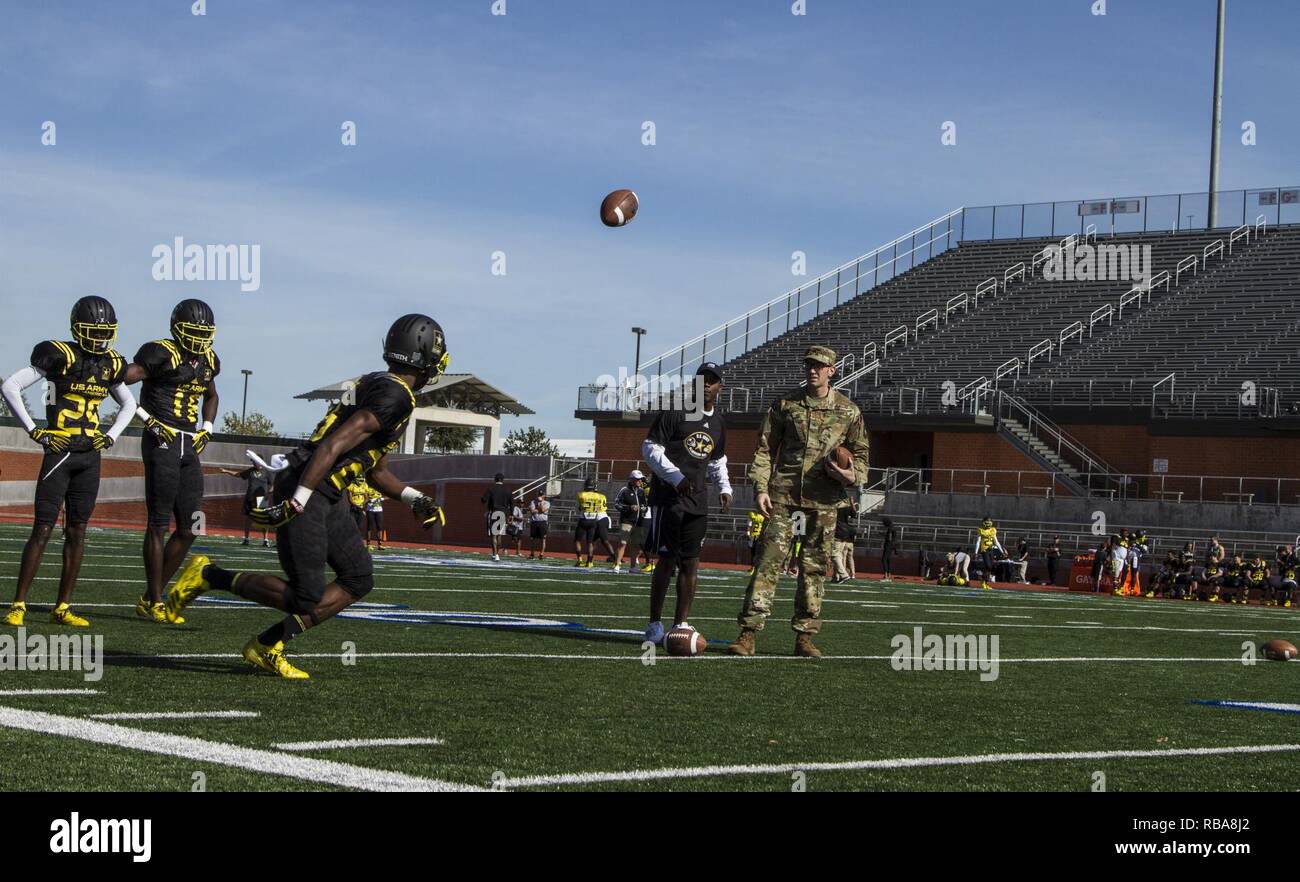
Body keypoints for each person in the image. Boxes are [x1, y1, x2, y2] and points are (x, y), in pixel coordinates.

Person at [165, 313, 449, 678]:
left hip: (324, 491)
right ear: (424, 355)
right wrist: (298, 498)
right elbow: (333, 445)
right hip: (311, 486)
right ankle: (209, 575)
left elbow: (374, 469)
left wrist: (415, 499)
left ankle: (267, 644)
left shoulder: (382, 385)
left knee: (358, 577)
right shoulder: (396, 395)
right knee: (306, 596)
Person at [1, 296, 137, 627]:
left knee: (78, 531)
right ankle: (18, 603)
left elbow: (129, 404)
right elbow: (10, 385)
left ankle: (63, 606)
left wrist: (112, 436)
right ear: (78, 329)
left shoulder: (111, 364)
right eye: (93, 331)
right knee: (43, 528)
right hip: (60, 452)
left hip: (90, 455)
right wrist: (36, 431)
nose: (100, 338)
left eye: (105, 332)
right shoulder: (59, 355)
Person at [729, 347, 867, 658]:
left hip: (824, 502)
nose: (813, 370)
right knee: (768, 563)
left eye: (819, 366)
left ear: (832, 370)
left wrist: (849, 475)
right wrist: (760, 488)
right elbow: (764, 450)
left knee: (814, 568)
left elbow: (861, 459)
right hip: (784, 499)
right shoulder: (785, 405)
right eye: (809, 365)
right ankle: (748, 633)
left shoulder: (849, 411)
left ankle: (805, 635)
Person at [123, 299, 220, 624]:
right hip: (161, 440)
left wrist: (207, 426)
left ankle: (151, 596)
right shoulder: (160, 352)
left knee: (191, 525)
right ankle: (154, 600)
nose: (199, 339)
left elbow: (212, 394)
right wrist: (143, 418)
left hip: (189, 443)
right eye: (193, 332)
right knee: (158, 523)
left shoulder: (208, 360)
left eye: (204, 333)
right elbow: (118, 380)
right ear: (178, 330)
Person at [642, 362, 732, 646]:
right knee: (667, 560)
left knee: (691, 563)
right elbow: (650, 448)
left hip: (697, 501)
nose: (706, 384)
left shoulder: (718, 422)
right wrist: (676, 477)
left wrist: (725, 487)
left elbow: (717, 460)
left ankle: (681, 622)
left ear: (720, 386)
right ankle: (654, 623)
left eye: (712, 380)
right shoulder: (675, 411)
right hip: (669, 498)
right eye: (702, 379)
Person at [218, 458, 273, 547]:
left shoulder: (267, 472)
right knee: (248, 518)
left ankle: (265, 540)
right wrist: (226, 471)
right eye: (253, 462)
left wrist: (268, 493)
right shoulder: (251, 471)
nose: (254, 464)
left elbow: (273, 485)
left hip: (262, 499)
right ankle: (246, 539)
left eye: (255, 462)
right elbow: (238, 474)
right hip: (250, 497)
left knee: (264, 519)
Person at [611, 470, 649, 573]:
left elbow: (645, 506)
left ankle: (633, 567)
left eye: (640, 479)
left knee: (635, 544)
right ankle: (617, 564)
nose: (639, 481)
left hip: (638, 522)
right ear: (631, 480)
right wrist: (629, 507)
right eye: (637, 479)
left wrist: (642, 509)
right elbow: (617, 504)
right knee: (623, 543)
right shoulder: (624, 490)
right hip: (627, 521)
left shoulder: (641, 491)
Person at [573, 478, 614, 567]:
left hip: (583, 519)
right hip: (593, 520)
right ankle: (590, 562)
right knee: (590, 542)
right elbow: (600, 508)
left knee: (577, 540)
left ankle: (580, 560)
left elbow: (578, 508)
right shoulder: (600, 496)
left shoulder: (581, 494)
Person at [481, 472, 511, 561]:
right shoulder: (507, 490)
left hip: (494, 512)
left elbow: (483, 499)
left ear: (495, 479)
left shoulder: (491, 488)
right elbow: (511, 503)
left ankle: (495, 554)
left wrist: (485, 501)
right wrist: (511, 514)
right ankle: (497, 554)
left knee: (494, 535)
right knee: (499, 535)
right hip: (503, 513)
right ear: (503, 480)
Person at [973, 515, 1005, 590]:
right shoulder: (980, 530)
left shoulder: (993, 530)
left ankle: (986, 582)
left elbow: (996, 542)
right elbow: (978, 542)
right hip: (984, 550)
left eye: (989, 522)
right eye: (986, 522)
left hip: (991, 549)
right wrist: (976, 552)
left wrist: (1002, 551)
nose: (987, 524)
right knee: (988, 566)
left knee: (991, 567)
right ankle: (983, 581)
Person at [831, 503, 854, 584]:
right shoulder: (846, 506)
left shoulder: (835, 507)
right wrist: (851, 503)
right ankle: (835, 576)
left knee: (834, 555)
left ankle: (843, 575)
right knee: (839, 555)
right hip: (845, 532)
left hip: (838, 532)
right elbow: (854, 514)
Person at [527, 490, 550, 559]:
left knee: (543, 539)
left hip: (542, 522)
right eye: (539, 495)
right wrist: (538, 510)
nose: (540, 496)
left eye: (541, 495)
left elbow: (543, 510)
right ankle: (532, 554)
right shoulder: (533, 502)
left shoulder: (547, 503)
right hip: (534, 521)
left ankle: (541, 554)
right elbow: (532, 511)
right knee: (533, 539)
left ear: (544, 496)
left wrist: (540, 503)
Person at [365, 482, 386, 550]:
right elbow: (365, 498)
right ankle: (368, 544)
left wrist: (381, 499)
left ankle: (380, 544)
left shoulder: (380, 488)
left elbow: (388, 496)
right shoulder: (367, 487)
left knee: (379, 527)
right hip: (370, 509)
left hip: (379, 510)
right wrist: (370, 500)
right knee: (369, 527)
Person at [745, 510, 766, 575]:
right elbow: (749, 525)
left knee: (758, 554)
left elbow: (749, 526)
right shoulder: (753, 515)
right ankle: (753, 567)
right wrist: (748, 533)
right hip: (754, 536)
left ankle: (756, 568)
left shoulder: (759, 516)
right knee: (754, 553)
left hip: (758, 537)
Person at [879, 516, 896, 583]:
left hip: (888, 545)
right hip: (892, 545)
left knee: (884, 560)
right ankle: (889, 575)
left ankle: (886, 576)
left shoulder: (890, 529)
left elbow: (889, 538)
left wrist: (882, 534)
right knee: (889, 560)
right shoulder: (893, 527)